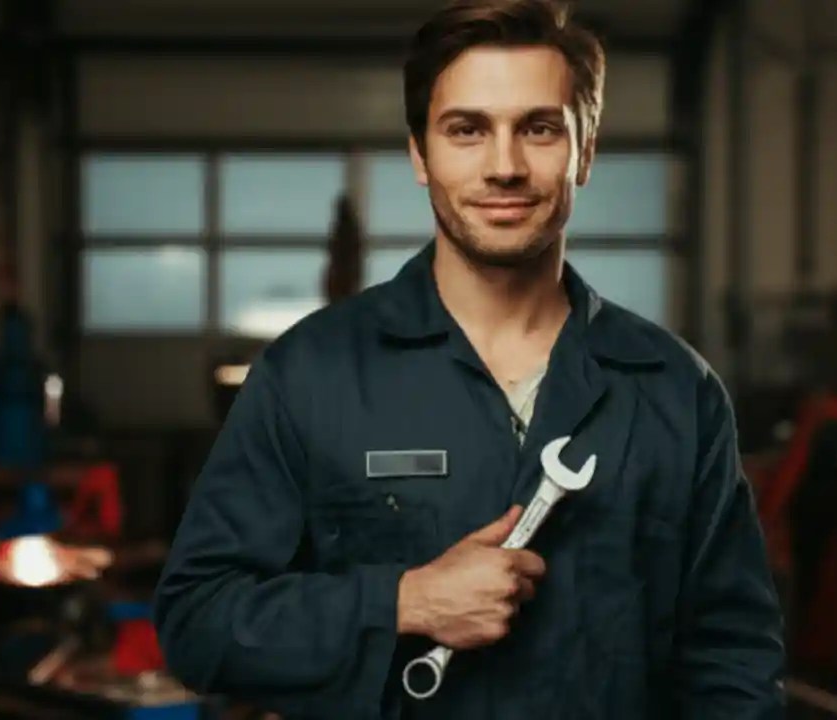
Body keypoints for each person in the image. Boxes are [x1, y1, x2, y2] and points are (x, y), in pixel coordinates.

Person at [153, 1, 785, 718]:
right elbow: (197, 624)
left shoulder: (676, 391)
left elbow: (733, 661)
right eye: (467, 130)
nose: (505, 166)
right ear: (420, 153)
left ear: (586, 150)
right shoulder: (311, 375)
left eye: (540, 128)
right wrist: (400, 602)